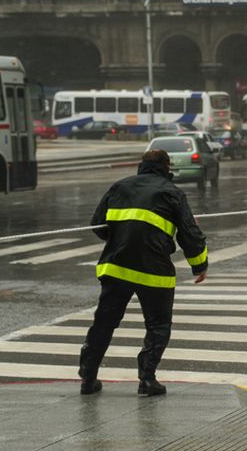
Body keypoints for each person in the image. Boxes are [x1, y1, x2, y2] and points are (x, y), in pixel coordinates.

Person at [78, 149, 209, 397]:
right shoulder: (173, 193)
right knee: (158, 325)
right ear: (166, 167)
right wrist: (199, 265)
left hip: (116, 267)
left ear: (142, 165)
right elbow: (189, 234)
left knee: (104, 323)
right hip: (154, 272)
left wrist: (120, 239)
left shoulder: (120, 186)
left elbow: (97, 223)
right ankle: (147, 379)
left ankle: (88, 377)